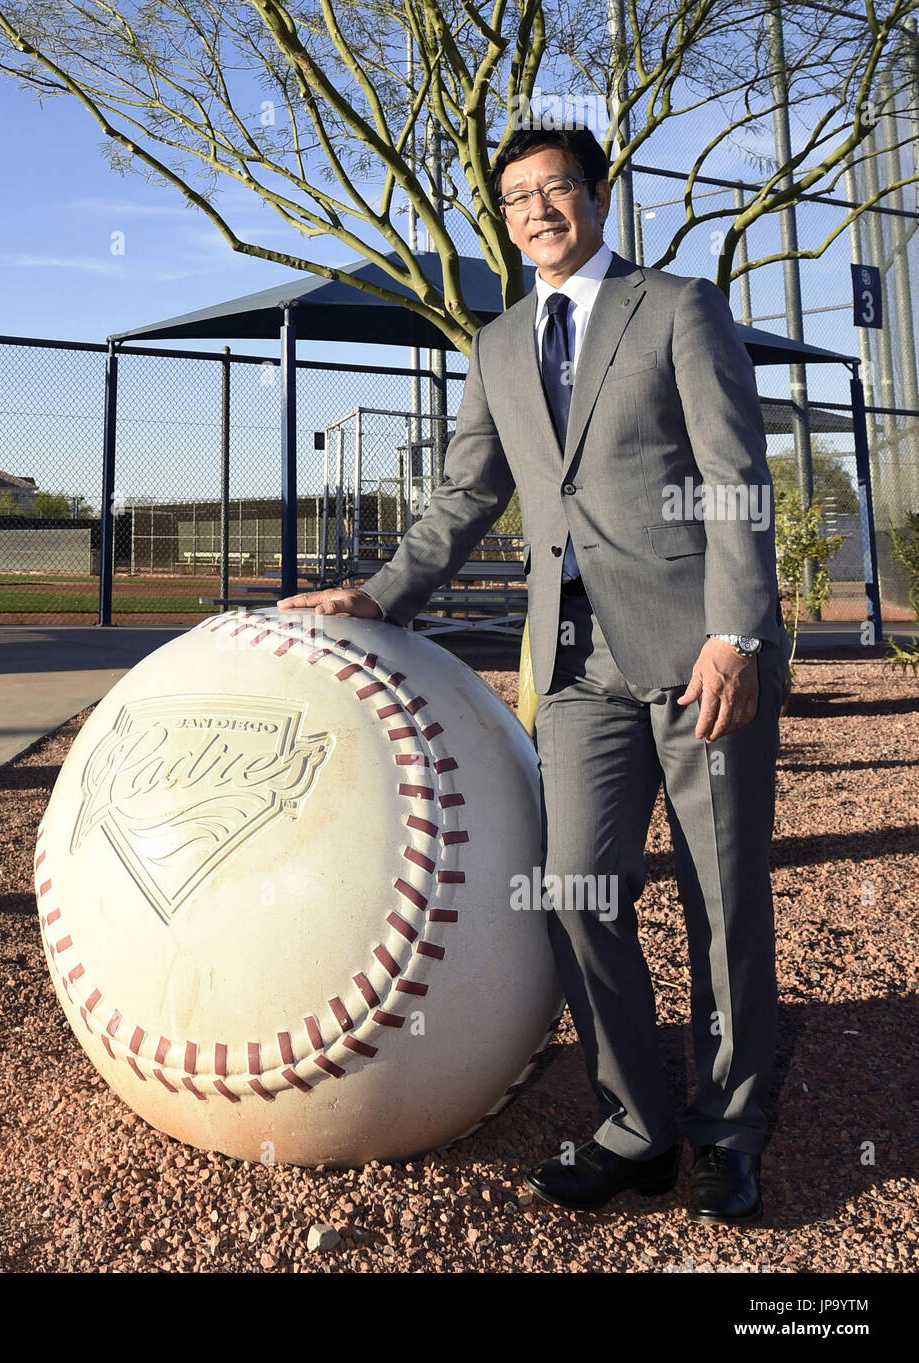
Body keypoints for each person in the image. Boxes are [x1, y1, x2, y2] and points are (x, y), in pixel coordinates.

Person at [277, 123, 787, 1226]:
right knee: (574, 888)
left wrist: (737, 636)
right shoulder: (500, 343)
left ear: (599, 199)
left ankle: (731, 1129)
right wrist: (378, 596)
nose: (539, 210)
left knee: (723, 904)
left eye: (558, 188)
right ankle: (637, 1122)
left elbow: (736, 479)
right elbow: (464, 495)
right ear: (503, 221)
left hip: (700, 654)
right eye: (517, 199)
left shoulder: (677, 307)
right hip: (573, 665)